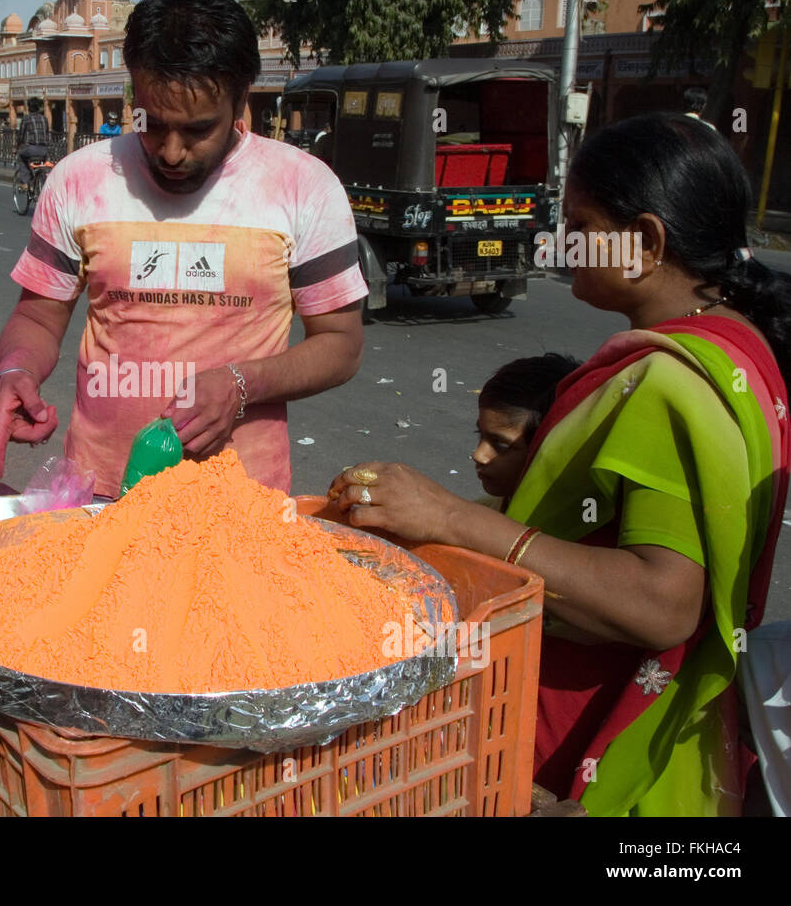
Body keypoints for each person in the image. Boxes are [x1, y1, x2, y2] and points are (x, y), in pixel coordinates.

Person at [328, 112, 791, 816]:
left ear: (644, 242)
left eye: (580, 224)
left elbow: (661, 603)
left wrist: (449, 516)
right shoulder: (739, 346)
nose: (559, 240)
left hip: (602, 731)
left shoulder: (667, 385)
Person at [0, 0, 367, 497]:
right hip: (99, 496)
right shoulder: (79, 180)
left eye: (196, 131)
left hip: (239, 505)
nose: (169, 151)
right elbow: (37, 317)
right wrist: (17, 369)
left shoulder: (304, 187)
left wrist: (241, 385)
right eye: (153, 124)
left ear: (242, 99)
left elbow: (341, 346)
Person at [471, 353, 581, 507]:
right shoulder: (482, 511)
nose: (478, 455)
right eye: (480, 434)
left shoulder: (572, 528)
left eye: (501, 446)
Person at [14, 97, 49, 190]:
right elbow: (47, 133)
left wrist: (17, 147)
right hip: (44, 150)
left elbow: (21, 136)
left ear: (29, 107)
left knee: (20, 157)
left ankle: (25, 182)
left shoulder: (26, 119)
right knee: (43, 164)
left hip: (31, 149)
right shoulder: (44, 119)